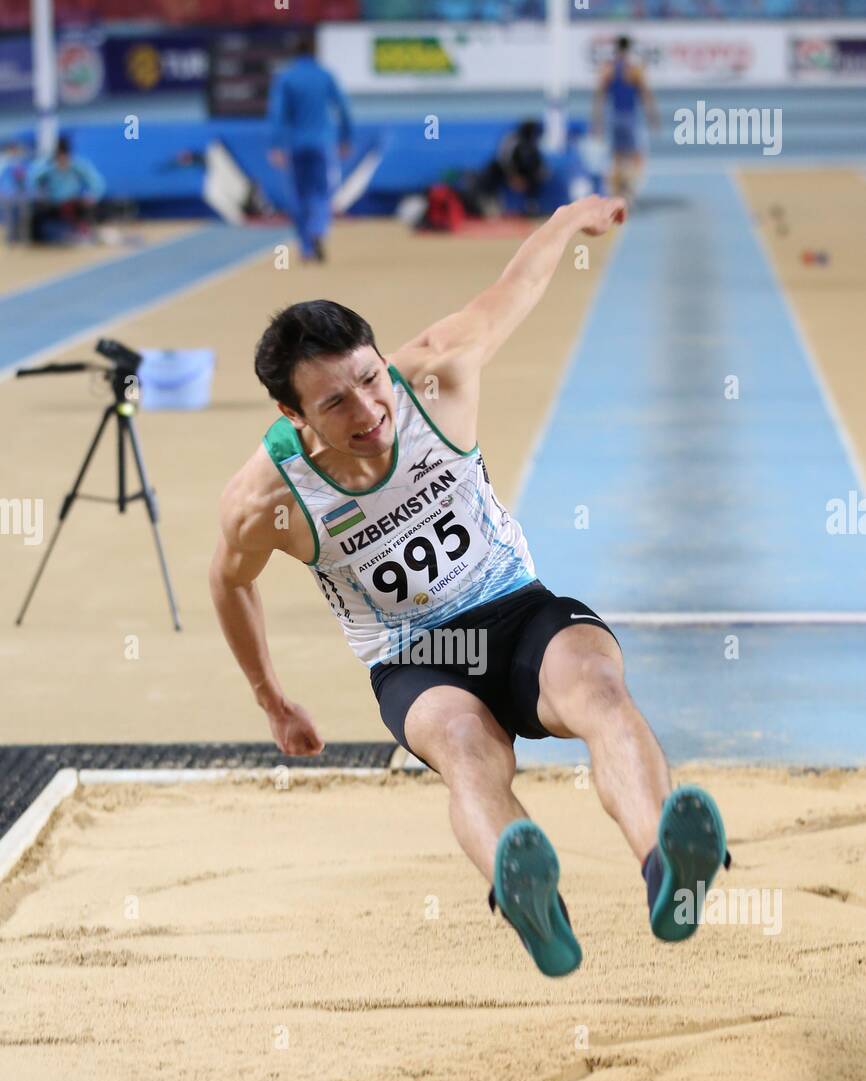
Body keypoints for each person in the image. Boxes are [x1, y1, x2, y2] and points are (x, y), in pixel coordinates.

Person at [209, 194, 729, 977]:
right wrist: (270, 698)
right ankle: (530, 899)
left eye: (369, 378)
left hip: (517, 608)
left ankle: (668, 868)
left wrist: (562, 223)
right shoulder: (267, 499)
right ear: (292, 414)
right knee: (465, 750)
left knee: (597, 689)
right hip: (416, 657)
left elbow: (512, 290)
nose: (371, 411)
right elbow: (228, 583)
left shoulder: (434, 374)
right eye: (336, 402)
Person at [266, 33, 353, 263]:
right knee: (321, 192)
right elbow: (343, 108)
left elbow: (277, 114)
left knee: (298, 195)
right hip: (322, 144)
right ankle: (317, 229)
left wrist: (275, 145)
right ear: (315, 52)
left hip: (296, 144)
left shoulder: (286, 78)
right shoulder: (324, 76)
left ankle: (305, 247)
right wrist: (346, 137)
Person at [593, 36, 659, 202]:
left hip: (614, 116)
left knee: (616, 156)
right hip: (629, 117)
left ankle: (616, 193)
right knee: (634, 157)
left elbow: (599, 98)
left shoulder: (608, 69)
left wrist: (597, 123)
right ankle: (628, 191)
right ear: (629, 50)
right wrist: (653, 118)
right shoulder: (634, 70)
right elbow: (646, 95)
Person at [25, 134, 108, 243]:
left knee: (83, 209)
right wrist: (40, 193)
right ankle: (38, 241)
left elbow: (97, 183)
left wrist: (91, 196)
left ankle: (84, 235)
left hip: (74, 203)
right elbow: (31, 180)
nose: (62, 160)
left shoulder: (77, 165)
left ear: (68, 155)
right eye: (59, 157)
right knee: (36, 213)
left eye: (64, 156)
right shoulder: (49, 167)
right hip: (54, 204)